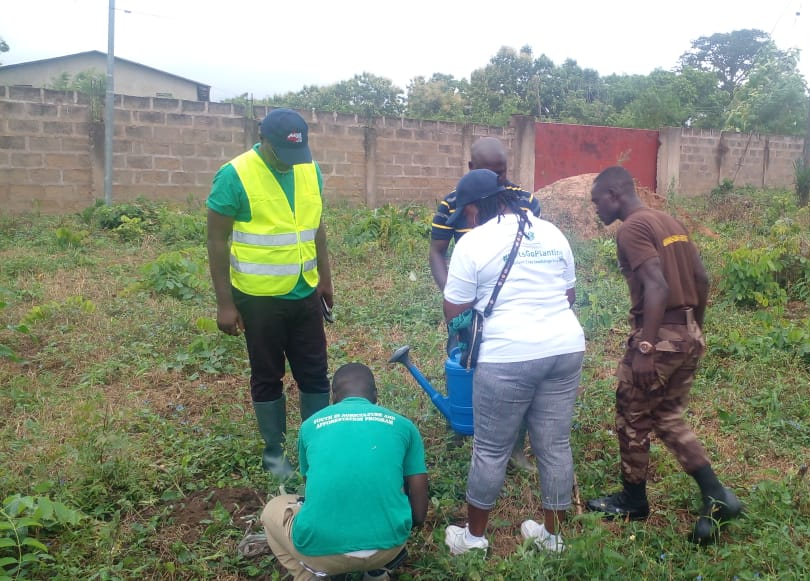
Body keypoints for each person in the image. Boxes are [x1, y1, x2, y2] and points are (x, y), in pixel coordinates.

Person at [585, 166, 741, 545]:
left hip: (659, 337)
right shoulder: (669, 221)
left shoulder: (632, 228)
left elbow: (656, 284)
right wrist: (693, 328)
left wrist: (646, 345)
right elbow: (701, 278)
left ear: (615, 194)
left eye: (597, 201)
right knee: (667, 414)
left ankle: (633, 500)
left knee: (631, 415)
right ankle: (717, 494)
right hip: (686, 332)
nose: (595, 210)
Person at [441, 169, 585, 554]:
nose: (466, 222)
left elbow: (454, 311)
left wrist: (474, 330)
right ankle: (551, 537)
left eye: (466, 215)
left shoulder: (473, 244)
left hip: (506, 356)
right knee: (554, 445)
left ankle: (472, 539)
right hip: (565, 348)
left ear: (474, 209)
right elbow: (568, 295)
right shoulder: (552, 232)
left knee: (490, 448)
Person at [206, 108, 333, 479]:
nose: (291, 163)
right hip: (258, 298)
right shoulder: (235, 175)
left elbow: (316, 227)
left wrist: (325, 278)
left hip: (305, 290)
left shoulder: (309, 168)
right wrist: (225, 303)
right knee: (267, 375)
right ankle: (275, 454)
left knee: (315, 373)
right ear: (264, 140)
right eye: (283, 154)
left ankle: (317, 446)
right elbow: (216, 240)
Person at [430, 136, 541, 473]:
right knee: (468, 366)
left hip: (513, 304)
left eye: (502, 171)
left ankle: (515, 446)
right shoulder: (453, 205)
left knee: (517, 372)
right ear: (471, 170)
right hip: (468, 305)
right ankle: (474, 432)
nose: (499, 180)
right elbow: (437, 251)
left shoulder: (526, 201)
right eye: (489, 172)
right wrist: (453, 294)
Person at [260, 363, 429, 580]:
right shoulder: (404, 426)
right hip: (389, 546)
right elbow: (419, 510)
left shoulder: (310, 425)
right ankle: (378, 571)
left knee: (272, 509)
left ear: (333, 396)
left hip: (319, 551)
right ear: (375, 396)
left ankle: (311, 576)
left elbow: (311, 486)